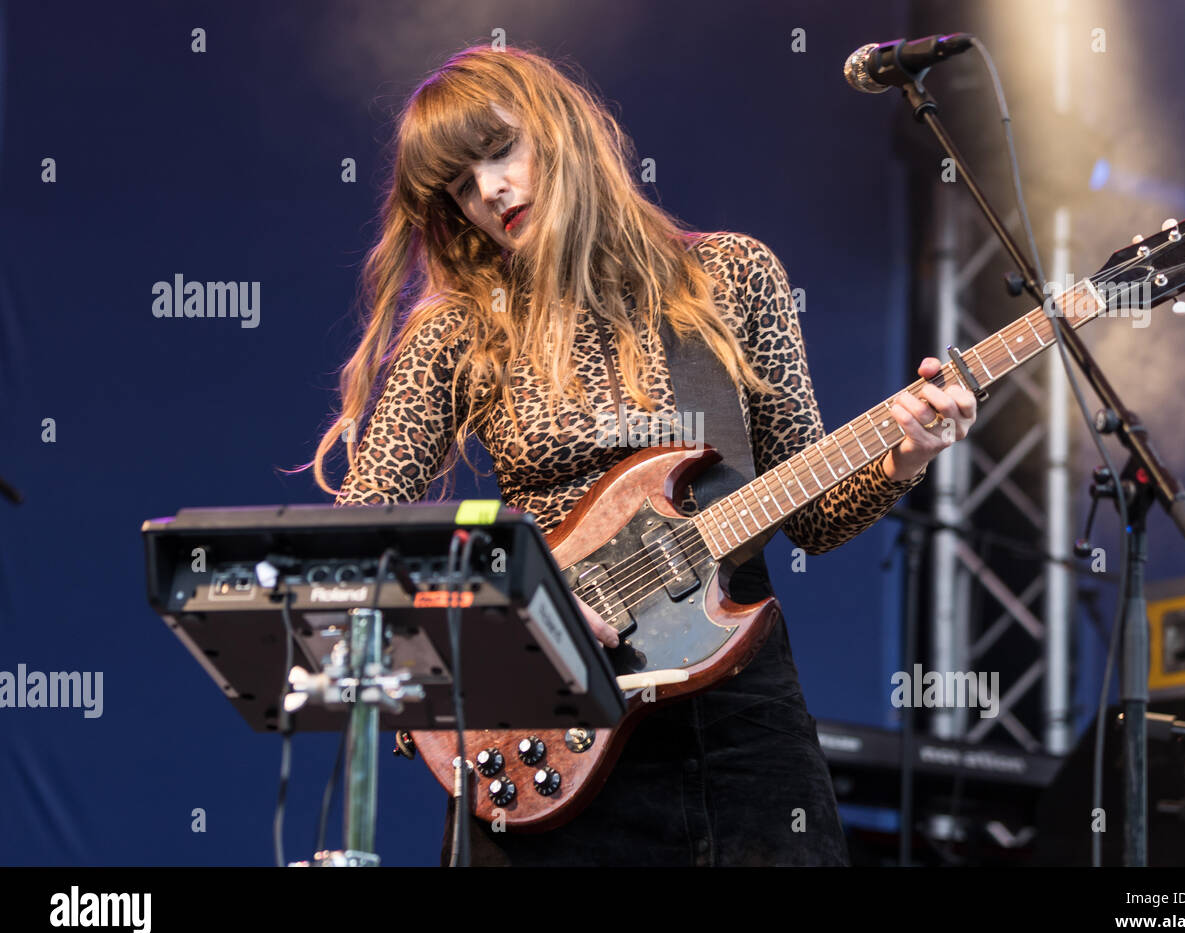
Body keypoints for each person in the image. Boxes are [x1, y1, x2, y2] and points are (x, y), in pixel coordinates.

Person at [304, 44, 977, 865]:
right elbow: (358, 540)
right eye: (459, 185)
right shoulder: (461, 329)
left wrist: (905, 454)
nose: (488, 191)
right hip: (550, 726)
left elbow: (813, 518)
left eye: (498, 151)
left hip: (738, 726)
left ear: (563, 130)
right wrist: (514, 594)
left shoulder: (732, 275)